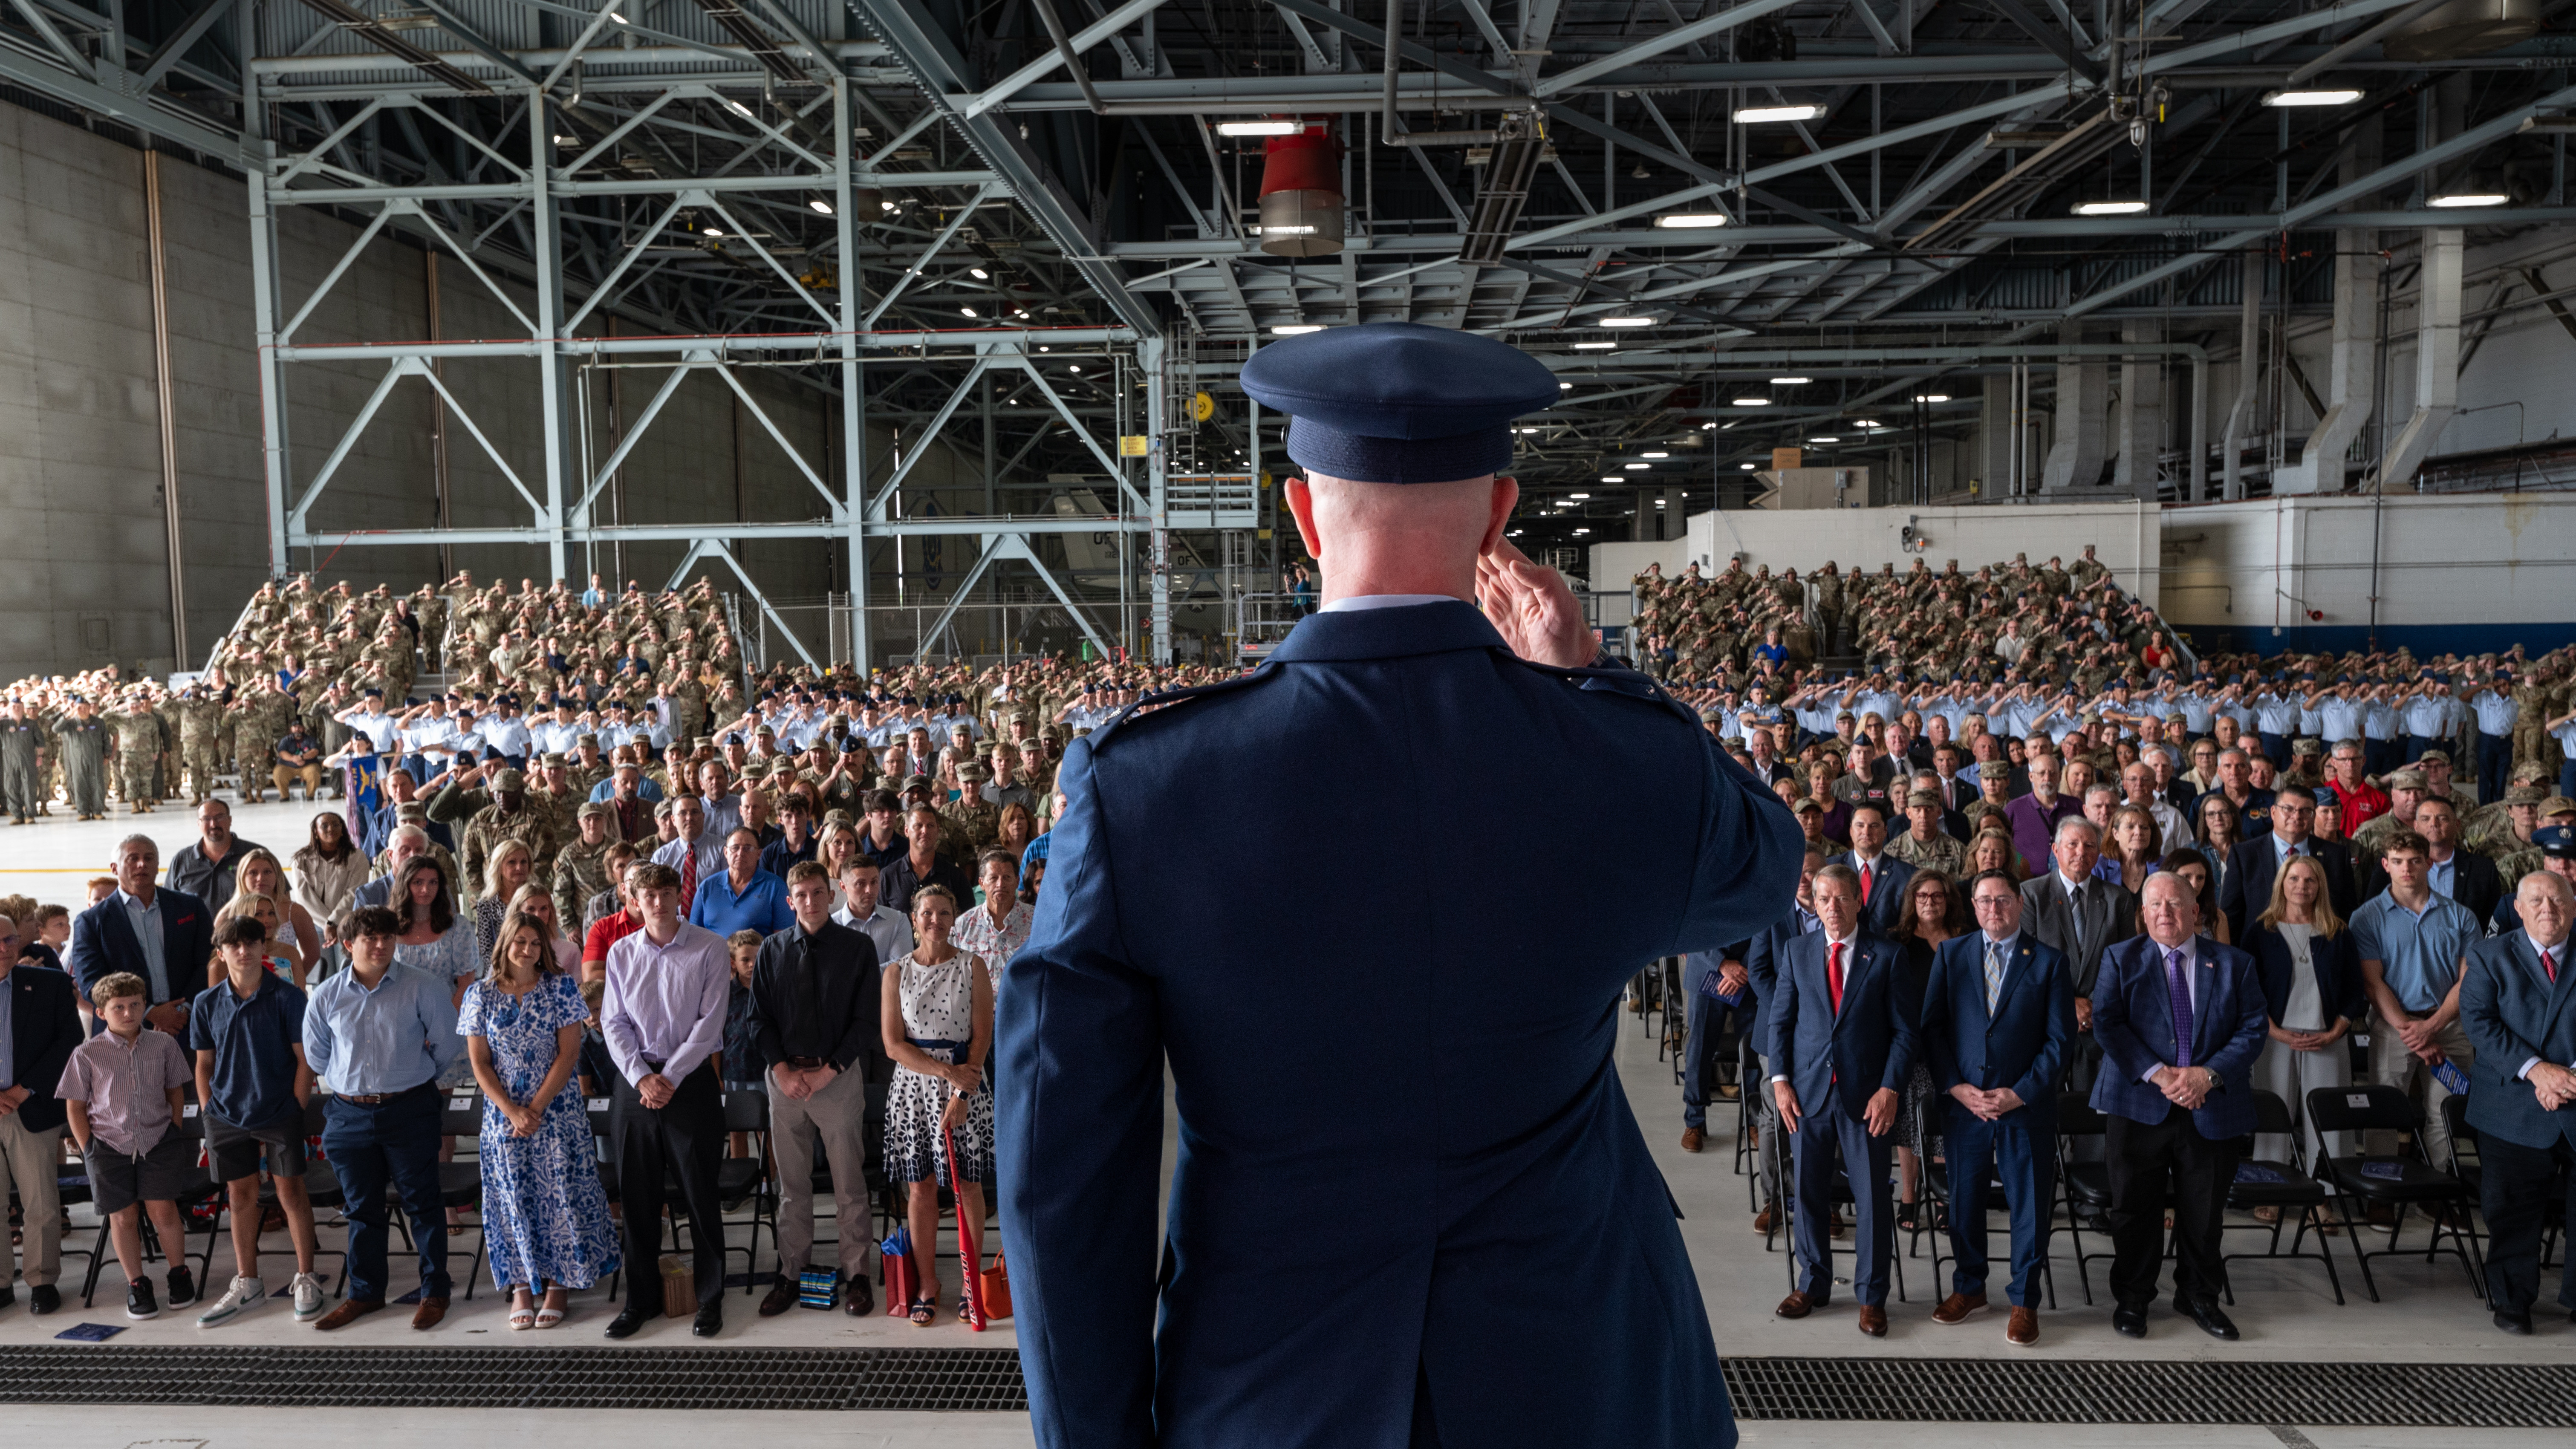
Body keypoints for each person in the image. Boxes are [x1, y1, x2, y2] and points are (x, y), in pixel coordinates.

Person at [1008, 323, 1799, 1448]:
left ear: (1300, 513)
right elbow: (1765, 872)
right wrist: (1589, 680)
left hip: (1273, 1394)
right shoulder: (1609, 763)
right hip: (1579, 1390)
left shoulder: (1149, 786)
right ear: (1497, 515)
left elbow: (1062, 1175)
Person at [2088, 873, 2269, 1341]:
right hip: (2137, 1104)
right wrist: (2161, 1074)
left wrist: (2204, 1074)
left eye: (2174, 903)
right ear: (2142, 914)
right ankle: (2132, 1298)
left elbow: (2252, 1029)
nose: (2164, 912)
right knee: (2133, 1208)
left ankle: (2198, 1296)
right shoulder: (2119, 958)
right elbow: (2106, 1023)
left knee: (2203, 1211)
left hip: (2210, 1104)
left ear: (2195, 911)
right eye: (2154, 905)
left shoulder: (2234, 963)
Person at [1918, 870, 2075, 1346]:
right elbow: (1932, 1029)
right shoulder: (1951, 954)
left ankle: (2024, 1301)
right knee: (1963, 1202)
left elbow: (2059, 1041)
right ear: (1971, 903)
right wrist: (1955, 1087)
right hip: (1965, 1106)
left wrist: (2019, 1092)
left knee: (2027, 1205)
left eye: (2002, 900)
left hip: (2023, 1108)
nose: (1993, 909)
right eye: (1984, 900)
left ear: (2019, 904)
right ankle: (1969, 1287)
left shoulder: (2048, 962)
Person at [1769, 864, 1916, 1336]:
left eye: (1841, 898)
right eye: (1822, 898)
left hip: (1866, 1098)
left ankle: (1872, 1297)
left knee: (1872, 1198)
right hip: (1806, 1095)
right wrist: (1779, 1080)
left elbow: (1903, 1032)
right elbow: (1780, 1023)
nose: (1832, 907)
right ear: (1812, 903)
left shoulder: (1888, 956)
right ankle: (1811, 1284)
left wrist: (1889, 1089)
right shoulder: (1796, 952)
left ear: (1858, 900)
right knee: (1807, 1194)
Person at [300, 904, 461, 1331]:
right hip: (349, 1113)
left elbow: (446, 1045)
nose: (380, 945)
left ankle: (434, 1292)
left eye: (387, 937)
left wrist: (409, 1076)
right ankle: (366, 1294)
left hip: (409, 1107)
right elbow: (317, 1056)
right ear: (350, 943)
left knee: (423, 1204)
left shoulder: (423, 987)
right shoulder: (326, 995)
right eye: (370, 938)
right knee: (361, 1210)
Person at [460, 906, 619, 1330]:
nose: (528, 950)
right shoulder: (480, 994)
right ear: (505, 943)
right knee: (513, 1198)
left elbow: (569, 1054)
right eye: (520, 941)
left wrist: (536, 1108)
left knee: (560, 1196)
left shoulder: (560, 988)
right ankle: (520, 1288)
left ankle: (558, 1284)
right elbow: (479, 1063)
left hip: (557, 1113)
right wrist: (513, 1110)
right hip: (503, 1117)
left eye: (535, 943)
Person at [599, 860, 731, 1340]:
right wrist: (641, 1076)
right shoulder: (619, 953)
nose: (657, 902)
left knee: (700, 1195)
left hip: (689, 1083)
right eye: (647, 894)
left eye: (666, 892)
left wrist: (669, 1076)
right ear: (633, 900)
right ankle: (641, 1301)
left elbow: (710, 1023)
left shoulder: (710, 948)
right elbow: (612, 1023)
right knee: (637, 1199)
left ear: (680, 895)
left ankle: (710, 1297)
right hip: (635, 1086)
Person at [749, 861, 883, 1318]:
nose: (809, 901)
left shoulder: (858, 948)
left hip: (837, 1078)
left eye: (816, 892)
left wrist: (829, 1071)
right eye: (800, 894)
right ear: (790, 901)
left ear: (832, 894)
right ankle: (791, 1271)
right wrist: (783, 1071)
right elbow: (758, 1021)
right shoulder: (771, 950)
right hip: (785, 1079)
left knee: (849, 1185)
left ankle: (857, 1274)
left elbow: (867, 1021)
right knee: (792, 1186)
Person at [190, 914, 323, 1327]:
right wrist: (210, 1107)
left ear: (262, 948)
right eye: (234, 945)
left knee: (291, 1193)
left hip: (278, 1111)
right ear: (222, 952)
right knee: (240, 1196)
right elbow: (203, 1063)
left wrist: (296, 1108)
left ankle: (307, 1277)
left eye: (251, 943)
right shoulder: (206, 1002)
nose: (243, 951)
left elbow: (306, 1062)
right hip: (227, 1116)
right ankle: (248, 1280)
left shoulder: (287, 997)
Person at [2458, 872, 2576, 1334]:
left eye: (2557, 899)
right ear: (2519, 909)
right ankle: (2512, 1301)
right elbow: (2479, 1023)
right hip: (2512, 1102)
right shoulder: (2489, 955)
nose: (2547, 908)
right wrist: (2536, 1071)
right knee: (2510, 1207)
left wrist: (2568, 1077)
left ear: (2572, 906)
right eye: (2536, 900)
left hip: (2573, 1093)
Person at [882, 883, 993, 1325]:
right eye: (927, 913)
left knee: (968, 1185)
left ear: (954, 918)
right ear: (914, 918)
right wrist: (946, 1074)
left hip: (965, 1087)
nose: (935, 921)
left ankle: (970, 1281)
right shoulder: (895, 972)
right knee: (921, 1186)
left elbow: (982, 1036)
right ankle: (928, 1282)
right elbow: (893, 1045)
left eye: (944, 913)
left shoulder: (973, 966)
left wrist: (962, 1092)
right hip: (914, 1091)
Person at [57, 971, 197, 1319]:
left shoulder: (163, 1044)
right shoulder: (87, 1053)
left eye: (135, 1005)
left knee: (163, 1211)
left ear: (145, 1005)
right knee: (123, 1216)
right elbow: (75, 1104)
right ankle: (137, 1284)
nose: (128, 1013)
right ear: (102, 1012)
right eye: (118, 1007)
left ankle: (179, 1274)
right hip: (107, 1143)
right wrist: (88, 1146)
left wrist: (174, 1129)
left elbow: (175, 1090)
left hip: (158, 1139)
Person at [2350, 831, 2484, 1173]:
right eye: (2397, 862)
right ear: (2386, 866)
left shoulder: (2461, 916)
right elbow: (2372, 982)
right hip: (2394, 1027)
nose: (2406, 868)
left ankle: (2436, 1190)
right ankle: (2382, 1189)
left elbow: (2468, 980)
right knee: (2383, 1111)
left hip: (2449, 1026)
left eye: (2414, 861)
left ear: (2430, 862)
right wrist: (2413, 1033)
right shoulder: (2367, 917)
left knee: (2445, 1113)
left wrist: (2433, 1027)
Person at [2243, 855, 2363, 1172]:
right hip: (2275, 1038)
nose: (2302, 886)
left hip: (2327, 1037)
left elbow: (2355, 990)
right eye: (2294, 879)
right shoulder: (2261, 933)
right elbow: (2249, 992)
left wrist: (2337, 1031)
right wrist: (2274, 1031)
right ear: (2281, 884)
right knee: (2274, 1116)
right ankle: (2269, 1187)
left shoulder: (2338, 932)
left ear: (2320, 886)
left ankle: (2326, 1191)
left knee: (2330, 1119)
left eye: (2310, 880)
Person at [1, 916, 82, 1314]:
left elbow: (70, 1041)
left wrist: (22, 1089)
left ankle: (42, 1281)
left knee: (41, 1203)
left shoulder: (49, 984)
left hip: (31, 1108)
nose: (4, 948)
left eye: (10, 939)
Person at [1888, 870, 1962, 1230]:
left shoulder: (1966, 940)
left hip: (1954, 1048)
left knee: (1944, 1127)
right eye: (1922, 897)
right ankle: (1909, 1196)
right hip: (1912, 1049)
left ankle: (1943, 1197)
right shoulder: (1897, 943)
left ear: (1948, 900)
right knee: (1909, 1128)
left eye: (1937, 896)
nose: (1930, 902)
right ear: (1912, 901)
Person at [2218, 785, 2358, 943]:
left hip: (2320, 947)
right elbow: (2230, 917)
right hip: (2259, 951)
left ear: (2313, 817)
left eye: (2305, 811)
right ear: (2273, 812)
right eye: (2288, 809)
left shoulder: (2337, 855)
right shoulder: (2244, 854)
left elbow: (2347, 913)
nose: (2296, 816)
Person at [687, 826, 793, 938]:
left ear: (759, 854)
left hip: (759, 956)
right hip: (714, 956)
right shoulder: (707, 887)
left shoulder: (775, 886)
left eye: (748, 848)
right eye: (735, 848)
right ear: (726, 852)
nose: (740, 853)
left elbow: (784, 940)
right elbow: (694, 937)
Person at [165, 800, 267, 912]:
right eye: (206, 819)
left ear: (230, 820)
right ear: (199, 824)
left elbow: (281, 897)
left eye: (220, 817)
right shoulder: (182, 860)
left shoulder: (255, 855)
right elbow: (168, 904)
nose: (213, 824)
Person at [951, 847, 1031, 991]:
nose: (1001, 884)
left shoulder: (1035, 920)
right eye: (993, 878)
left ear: (1017, 881)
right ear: (982, 884)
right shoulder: (963, 926)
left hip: (1022, 1008)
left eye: (1007, 877)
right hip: (977, 1010)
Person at [1840, 801, 1915, 934]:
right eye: (1860, 826)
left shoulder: (1907, 875)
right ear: (1851, 830)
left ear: (1886, 831)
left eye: (1874, 826)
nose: (1866, 832)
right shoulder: (1831, 867)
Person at [833, 857, 913, 970]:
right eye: (861, 884)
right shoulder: (831, 926)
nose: (869, 890)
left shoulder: (898, 920)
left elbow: (902, 966)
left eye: (874, 882)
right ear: (843, 887)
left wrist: (856, 975)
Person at [294, 811, 369, 927]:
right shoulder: (301, 859)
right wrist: (328, 924)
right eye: (325, 826)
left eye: (336, 825)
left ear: (342, 830)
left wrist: (334, 921)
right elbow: (303, 896)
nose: (330, 829)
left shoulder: (357, 857)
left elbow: (355, 892)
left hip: (347, 923)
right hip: (314, 924)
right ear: (316, 832)